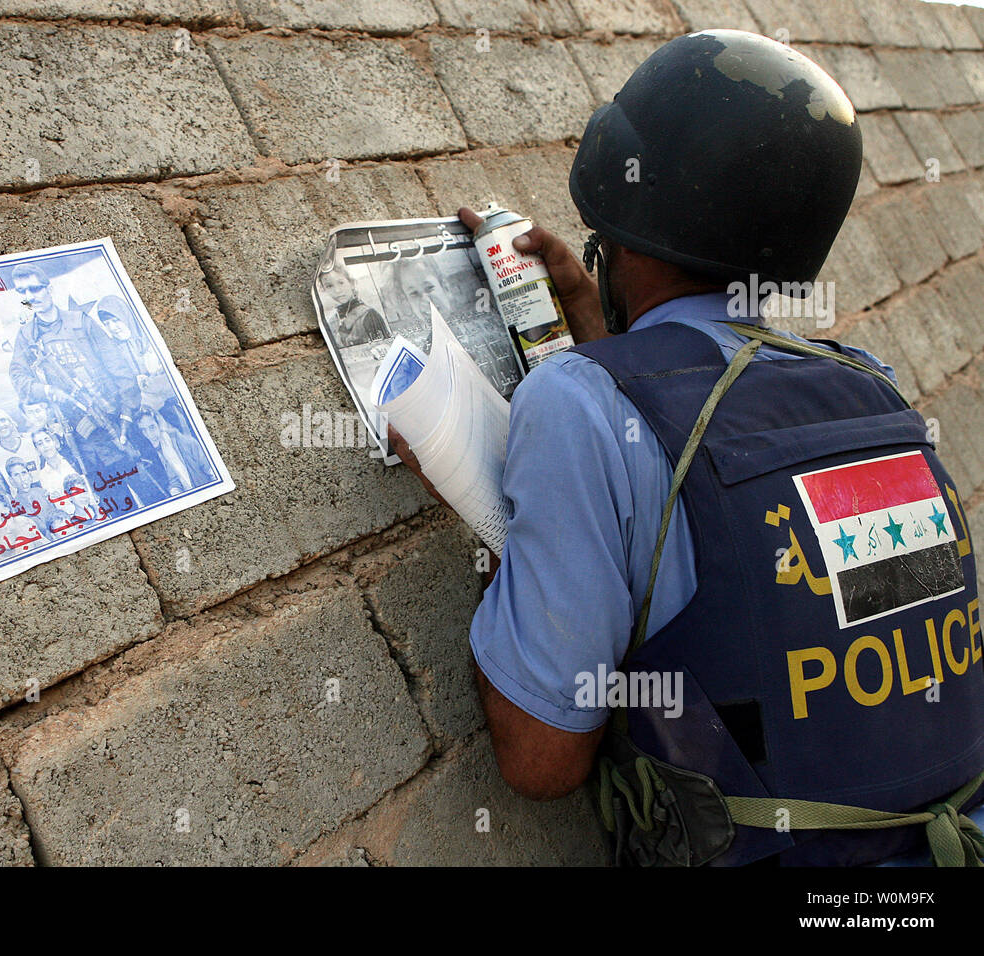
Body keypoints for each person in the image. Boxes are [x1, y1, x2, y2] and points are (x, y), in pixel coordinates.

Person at [391, 30, 984, 867]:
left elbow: (540, 758)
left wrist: (498, 518)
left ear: (622, 238)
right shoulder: (869, 387)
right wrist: (604, 337)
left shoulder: (576, 404)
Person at [7, 263, 138, 485]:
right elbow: (18, 377)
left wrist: (128, 412)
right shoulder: (27, 336)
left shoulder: (80, 322)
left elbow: (119, 368)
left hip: (114, 415)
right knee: (109, 492)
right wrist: (49, 391)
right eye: (22, 292)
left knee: (145, 480)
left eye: (35, 289)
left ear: (49, 289)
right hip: (79, 433)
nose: (30, 296)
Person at [318, 260, 390, 347]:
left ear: (351, 283)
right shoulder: (332, 321)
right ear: (324, 290)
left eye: (341, 283)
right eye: (329, 286)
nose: (337, 290)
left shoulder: (369, 315)